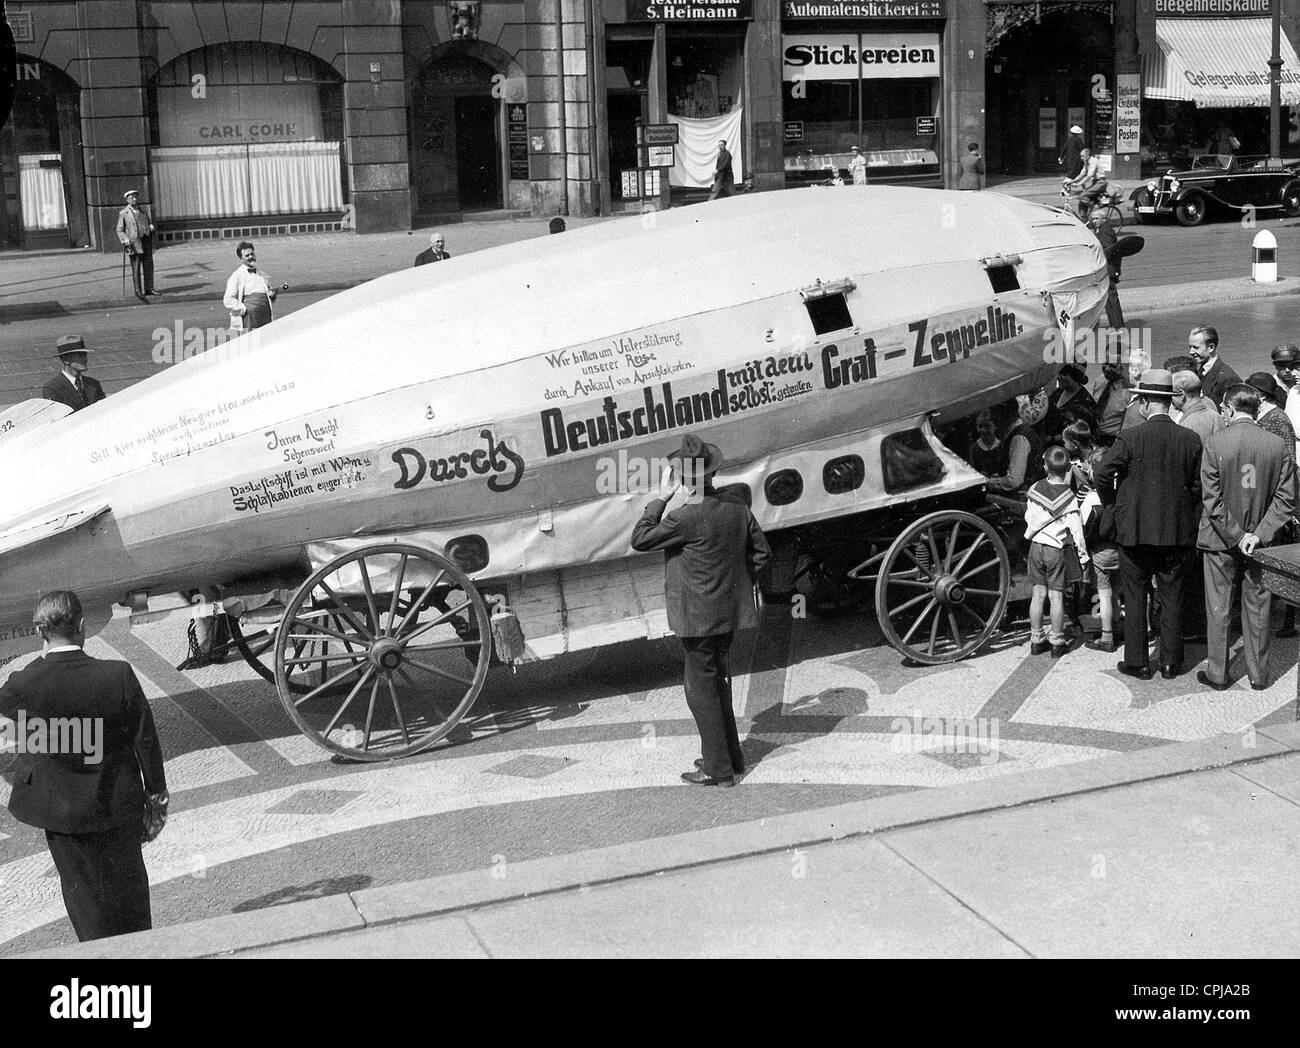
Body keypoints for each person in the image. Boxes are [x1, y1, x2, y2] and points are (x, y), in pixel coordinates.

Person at [0, 591, 168, 941]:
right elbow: (146, 741)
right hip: (117, 806)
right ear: (81, 626)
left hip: (61, 815)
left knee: (84, 899)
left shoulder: (23, 685)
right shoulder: (117, 675)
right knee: (131, 893)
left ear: (40, 633)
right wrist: (156, 799)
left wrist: (40, 662)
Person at [630, 435, 770, 787]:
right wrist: (731, 588)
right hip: (729, 615)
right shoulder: (738, 508)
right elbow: (761, 556)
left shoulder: (683, 517)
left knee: (701, 693)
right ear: (711, 473)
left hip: (697, 621)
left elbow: (640, 538)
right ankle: (728, 758)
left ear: (683, 479)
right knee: (718, 684)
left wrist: (662, 497)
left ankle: (718, 770)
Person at [1094, 368, 1203, 681]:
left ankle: (1138, 661)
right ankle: (1171, 663)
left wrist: (1115, 502)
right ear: (1169, 403)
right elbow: (1197, 487)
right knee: (1172, 597)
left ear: (1143, 402)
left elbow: (1102, 473)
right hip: (1177, 532)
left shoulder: (1130, 437)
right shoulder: (1190, 438)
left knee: (1135, 595)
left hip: (1135, 531)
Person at [1198, 385, 1297, 690]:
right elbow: (1286, 500)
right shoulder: (1278, 445)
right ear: (1256, 410)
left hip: (1219, 539)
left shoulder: (1215, 443)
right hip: (1263, 542)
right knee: (1258, 607)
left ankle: (1218, 673)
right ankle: (1259, 675)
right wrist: (1258, 534)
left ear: (1227, 410)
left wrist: (1237, 534)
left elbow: (1211, 501)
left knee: (1219, 607)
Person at [1025, 446, 1090, 657]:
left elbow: (1028, 517)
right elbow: (1077, 530)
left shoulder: (1035, 488)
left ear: (1045, 466)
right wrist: (1083, 555)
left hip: (1035, 547)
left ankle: (1036, 640)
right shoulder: (1069, 497)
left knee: (1037, 594)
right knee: (1056, 597)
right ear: (1068, 468)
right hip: (1055, 549)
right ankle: (1057, 642)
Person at [1063, 420, 1121, 652]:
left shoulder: (1084, 467)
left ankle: (1102, 630)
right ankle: (1117, 627)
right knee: (1116, 591)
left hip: (1097, 542)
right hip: (1117, 546)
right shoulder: (1101, 457)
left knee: (1102, 590)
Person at [985, 395, 1047, 493]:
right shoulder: (1021, 433)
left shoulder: (1019, 438)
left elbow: (1014, 481)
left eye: (994, 416)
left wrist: (988, 483)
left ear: (1005, 415)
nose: (992, 421)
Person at [41, 334, 106, 412]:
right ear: (65, 359)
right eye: (79, 355)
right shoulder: (52, 388)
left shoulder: (93, 384)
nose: (84, 359)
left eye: (84, 355)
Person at [223, 241, 278, 332]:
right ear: (241, 259)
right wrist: (244, 309)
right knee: (252, 341)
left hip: (265, 311)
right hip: (250, 314)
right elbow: (228, 299)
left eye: (252, 254)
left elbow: (268, 292)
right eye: (247, 255)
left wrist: (272, 295)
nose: (251, 257)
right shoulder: (237, 275)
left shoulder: (261, 273)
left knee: (267, 339)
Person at [115, 189, 156, 303]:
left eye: (136, 197)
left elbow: (147, 221)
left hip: (146, 241)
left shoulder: (142, 210)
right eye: (132, 197)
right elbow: (119, 230)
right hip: (134, 243)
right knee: (136, 267)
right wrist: (125, 239)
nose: (135, 199)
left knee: (148, 265)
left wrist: (151, 226)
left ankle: (149, 288)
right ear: (127, 199)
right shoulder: (124, 213)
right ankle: (138, 290)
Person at [1186, 325, 1240, 408]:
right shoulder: (1199, 371)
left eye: (1195, 347)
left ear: (1211, 347)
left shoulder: (1228, 377)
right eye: (1190, 347)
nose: (1191, 352)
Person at [1245, 371, 1298, 452]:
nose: (1245, 395)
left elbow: (1288, 450)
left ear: (1263, 396)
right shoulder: (1259, 413)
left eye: (1249, 392)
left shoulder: (1276, 418)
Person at [1044, 364, 1097, 444]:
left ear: (1075, 376)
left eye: (1063, 374)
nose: (1057, 377)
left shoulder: (1086, 402)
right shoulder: (1058, 393)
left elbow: (1082, 433)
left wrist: (1052, 439)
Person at [1172, 369, 1224, 444]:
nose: (1170, 398)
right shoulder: (1216, 417)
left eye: (1171, 394)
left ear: (1181, 394)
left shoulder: (1186, 426)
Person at [1090, 359, 1129, 447]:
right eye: (1105, 363)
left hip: (1113, 441)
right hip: (1093, 436)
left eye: (1113, 366)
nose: (1106, 369)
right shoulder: (1101, 380)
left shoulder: (1130, 390)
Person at [1271, 344, 1300, 457]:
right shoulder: (1269, 387)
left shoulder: (1295, 387)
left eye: (1292, 366)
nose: (1288, 371)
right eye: (1282, 365)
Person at [1063, 148, 1105, 218]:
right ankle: (1084, 219)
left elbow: (1089, 176)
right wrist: (1071, 182)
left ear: (1088, 156)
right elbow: (1082, 174)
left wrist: (1078, 184)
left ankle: (1097, 211)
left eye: (1082, 156)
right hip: (1094, 182)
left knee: (1082, 195)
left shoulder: (1093, 162)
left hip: (1101, 182)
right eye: (1081, 156)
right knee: (1081, 201)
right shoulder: (1086, 163)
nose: (1081, 158)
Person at [969, 409, 1009, 478]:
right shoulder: (973, 449)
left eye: (987, 426)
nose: (983, 430)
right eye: (980, 426)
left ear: (995, 426)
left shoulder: (1003, 445)